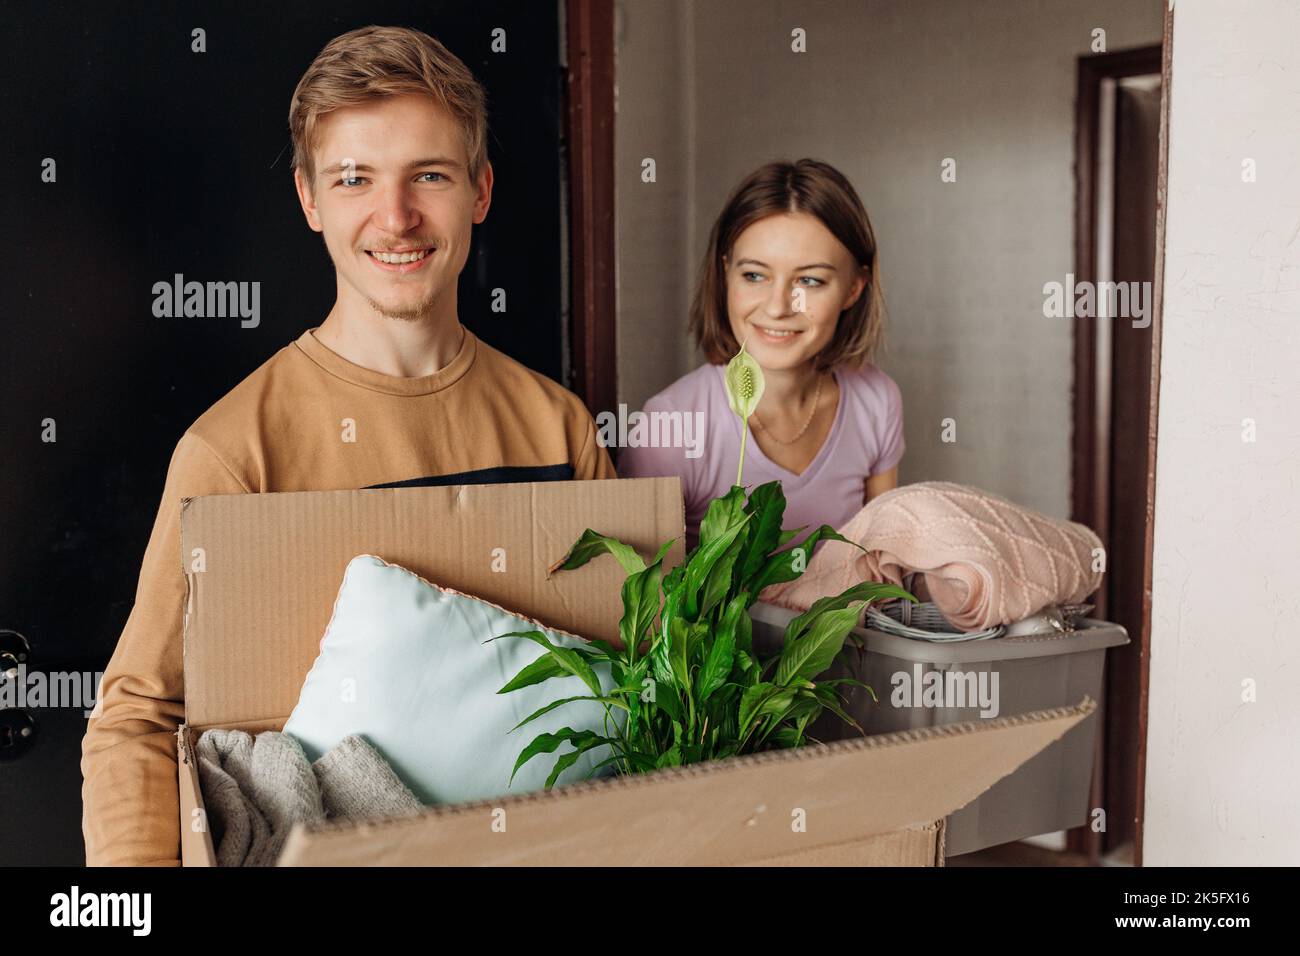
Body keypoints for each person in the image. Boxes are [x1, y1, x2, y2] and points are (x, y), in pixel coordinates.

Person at [80, 25, 615, 866]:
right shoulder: (233, 450)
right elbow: (139, 717)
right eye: (354, 178)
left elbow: (624, 678)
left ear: (480, 189)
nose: (395, 217)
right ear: (310, 199)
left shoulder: (560, 427)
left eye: (428, 176)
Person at [618, 159, 904, 552]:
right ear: (726, 274)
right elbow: (645, 598)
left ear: (854, 288)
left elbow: (885, 565)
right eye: (754, 275)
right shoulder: (667, 426)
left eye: (809, 280)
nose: (777, 307)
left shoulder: (877, 400)